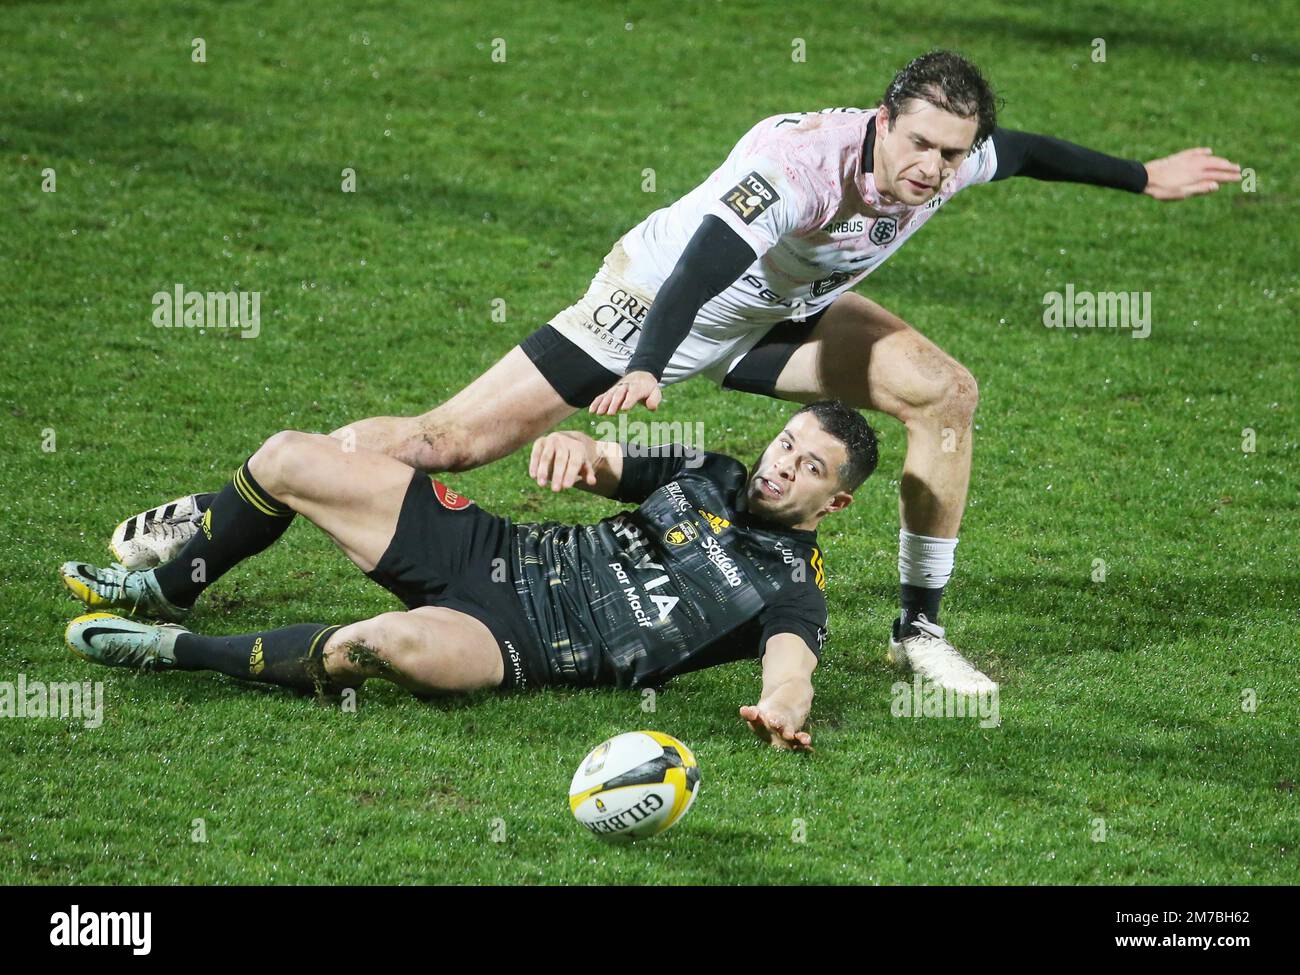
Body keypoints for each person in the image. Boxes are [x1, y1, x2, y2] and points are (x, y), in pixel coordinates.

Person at [106, 50, 1240, 690]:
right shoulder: (796, 168)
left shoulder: (947, 159)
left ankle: (919, 630)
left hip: (771, 314)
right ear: (879, 123)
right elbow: (703, 260)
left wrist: (1143, 177)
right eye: (920, 150)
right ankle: (201, 533)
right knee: (446, 444)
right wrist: (647, 366)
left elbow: (1028, 153)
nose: (935, 174)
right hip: (655, 301)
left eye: (952, 157)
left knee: (944, 392)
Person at [64, 402, 890, 750]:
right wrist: (573, 450)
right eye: (786, 444)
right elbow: (602, 462)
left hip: (516, 642)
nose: (781, 467)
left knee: (375, 646)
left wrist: (782, 708)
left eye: (808, 466)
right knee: (287, 455)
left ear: (838, 500)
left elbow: (791, 667)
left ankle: (171, 648)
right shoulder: (711, 469)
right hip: (494, 550)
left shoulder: (792, 586)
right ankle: (169, 585)